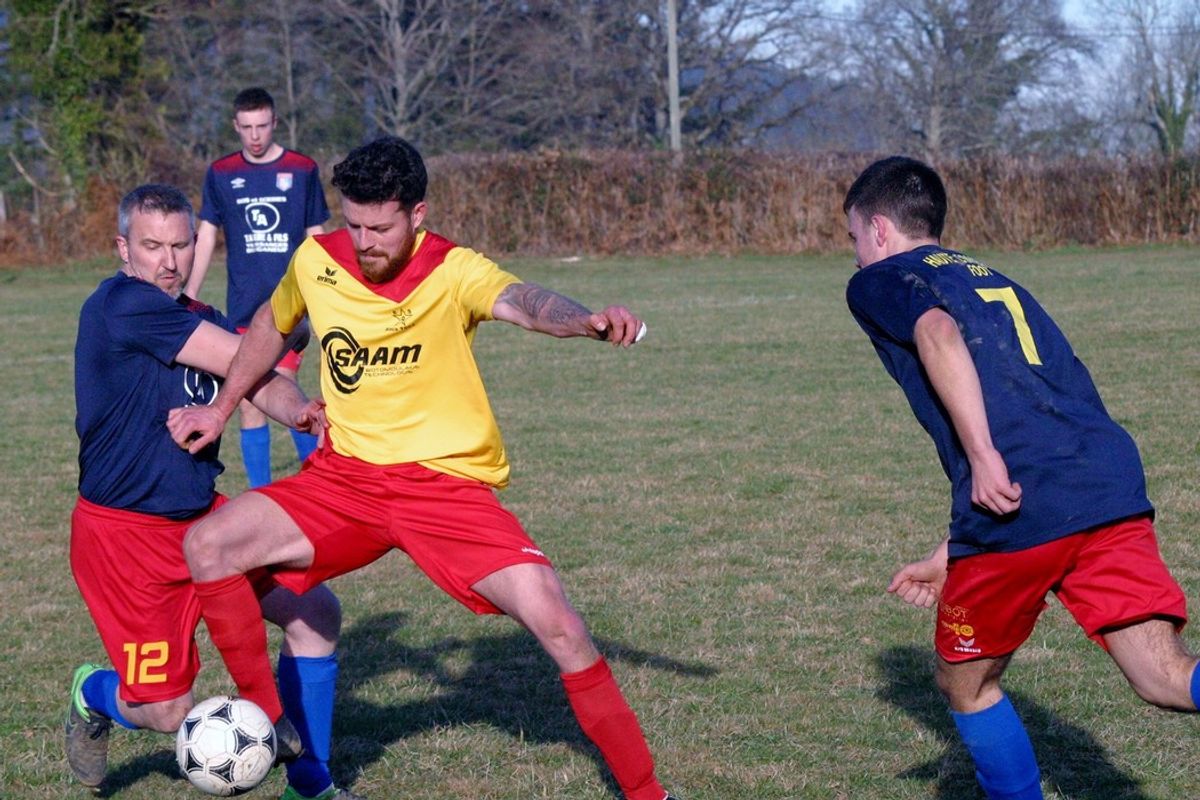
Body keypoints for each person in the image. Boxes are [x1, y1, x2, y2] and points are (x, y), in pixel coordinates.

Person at [167, 136, 677, 800]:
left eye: (380, 227)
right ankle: (268, 722)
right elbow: (270, 323)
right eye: (353, 224)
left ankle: (648, 794)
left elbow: (523, 301)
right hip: (345, 481)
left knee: (559, 623)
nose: (364, 241)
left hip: (443, 492)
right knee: (208, 544)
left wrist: (584, 320)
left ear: (418, 215)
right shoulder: (317, 260)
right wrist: (224, 407)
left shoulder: (452, 269)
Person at [843, 156, 1200, 800]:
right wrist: (953, 550)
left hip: (1015, 503)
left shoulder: (880, 279)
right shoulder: (990, 277)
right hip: (1104, 485)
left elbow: (936, 333)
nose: (855, 254)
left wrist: (982, 456)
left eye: (852, 240)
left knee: (965, 683)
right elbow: (1042, 407)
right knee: (1164, 677)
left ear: (878, 229)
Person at [68, 184, 360, 800]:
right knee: (169, 712)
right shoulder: (122, 305)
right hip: (127, 541)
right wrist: (288, 344)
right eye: (152, 246)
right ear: (123, 248)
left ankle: (309, 785)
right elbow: (243, 358)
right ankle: (93, 693)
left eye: (180, 245)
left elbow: (255, 378)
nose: (168, 261)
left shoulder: (194, 316)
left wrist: (301, 411)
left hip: (206, 525)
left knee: (314, 614)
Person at [185, 87, 331, 488]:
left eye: (262, 125)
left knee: (279, 385)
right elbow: (207, 235)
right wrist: (191, 295)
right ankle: (263, 494)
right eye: (246, 127)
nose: (255, 135)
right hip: (243, 309)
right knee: (251, 404)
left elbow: (317, 237)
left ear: (274, 123)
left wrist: (326, 300)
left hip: (291, 307)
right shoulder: (221, 173)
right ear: (235, 126)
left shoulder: (302, 169)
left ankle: (317, 483)